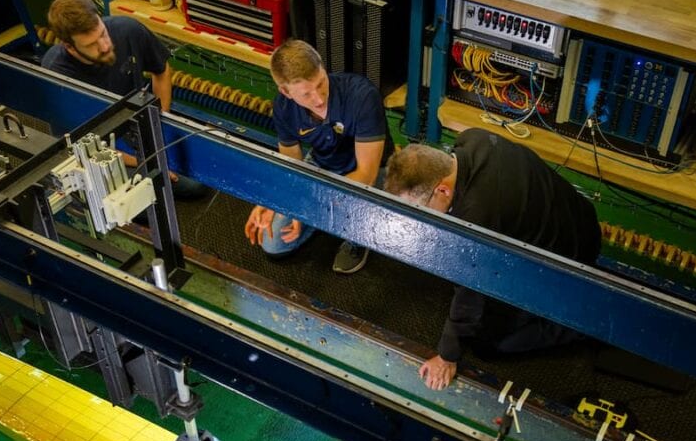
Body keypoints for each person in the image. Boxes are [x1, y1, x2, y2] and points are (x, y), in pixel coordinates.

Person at [385, 129, 601, 390]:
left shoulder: (478, 215)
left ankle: (581, 324)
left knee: (490, 341)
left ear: (442, 189)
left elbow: (470, 292)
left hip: (568, 256)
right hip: (577, 216)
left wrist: (447, 357)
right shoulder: (471, 139)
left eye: (420, 208)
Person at [243, 39, 393, 274]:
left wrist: (303, 205)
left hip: (372, 171)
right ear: (286, 91)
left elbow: (366, 174)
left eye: (321, 83)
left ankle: (357, 238)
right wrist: (276, 200)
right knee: (272, 242)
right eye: (306, 94)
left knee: (367, 199)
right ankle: (326, 218)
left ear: (323, 68)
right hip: (323, 167)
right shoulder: (283, 107)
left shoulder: (363, 96)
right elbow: (291, 165)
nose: (319, 99)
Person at [41, 0, 205, 198]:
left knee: (197, 184)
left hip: (137, 126)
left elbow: (161, 71)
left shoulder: (128, 29)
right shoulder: (57, 76)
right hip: (99, 146)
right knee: (138, 206)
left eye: (102, 33)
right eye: (91, 44)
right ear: (69, 47)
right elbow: (78, 146)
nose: (104, 46)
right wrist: (146, 162)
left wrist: (159, 124)